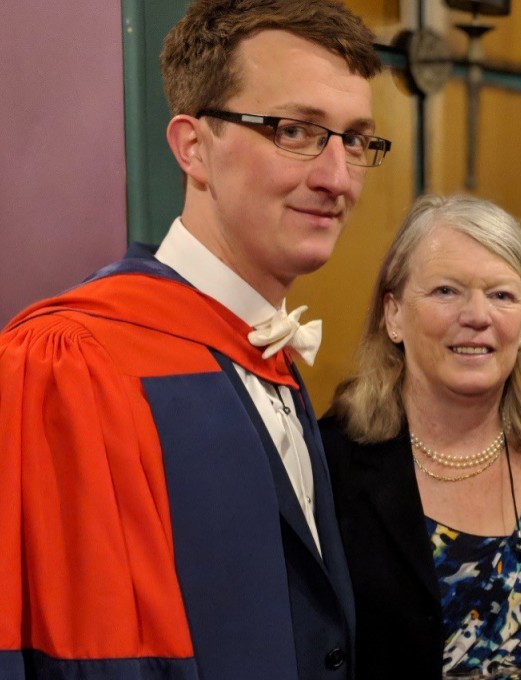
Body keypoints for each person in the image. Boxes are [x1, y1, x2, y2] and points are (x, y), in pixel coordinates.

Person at [0, 2, 387, 678]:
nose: (336, 178)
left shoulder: (269, 360)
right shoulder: (76, 362)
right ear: (192, 147)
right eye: (295, 130)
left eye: (353, 140)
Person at [320, 193, 521, 678]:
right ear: (393, 315)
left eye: (502, 295)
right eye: (446, 291)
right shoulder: (334, 462)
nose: (478, 315)